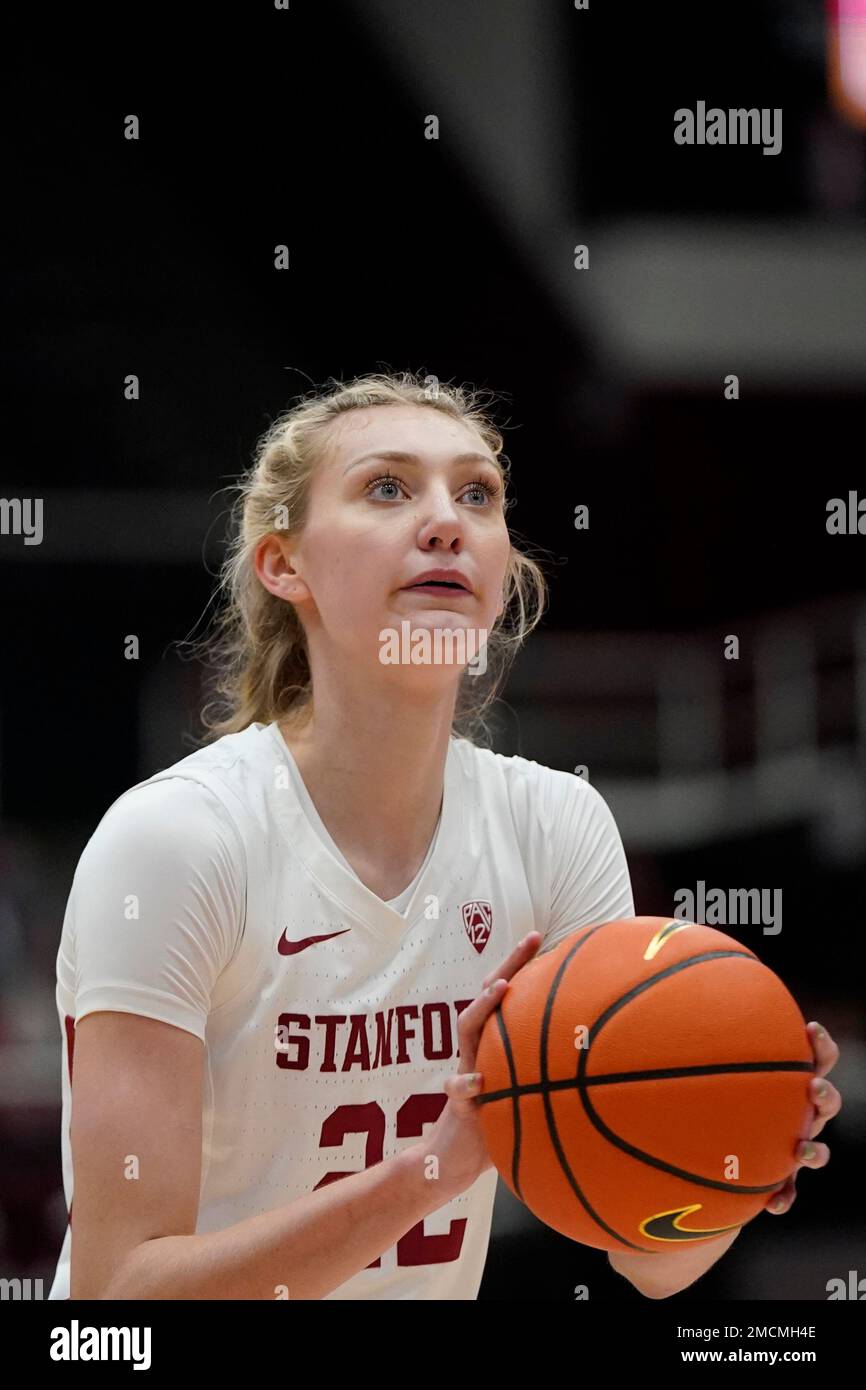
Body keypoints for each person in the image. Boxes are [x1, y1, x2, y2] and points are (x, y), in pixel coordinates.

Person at [47, 372, 839, 1301]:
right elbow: (116, 1304)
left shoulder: (556, 827)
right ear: (283, 564)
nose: (445, 521)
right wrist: (435, 1170)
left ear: (503, 578)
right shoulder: (177, 841)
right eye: (387, 487)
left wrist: (727, 1152)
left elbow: (645, 1259)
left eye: (478, 494)